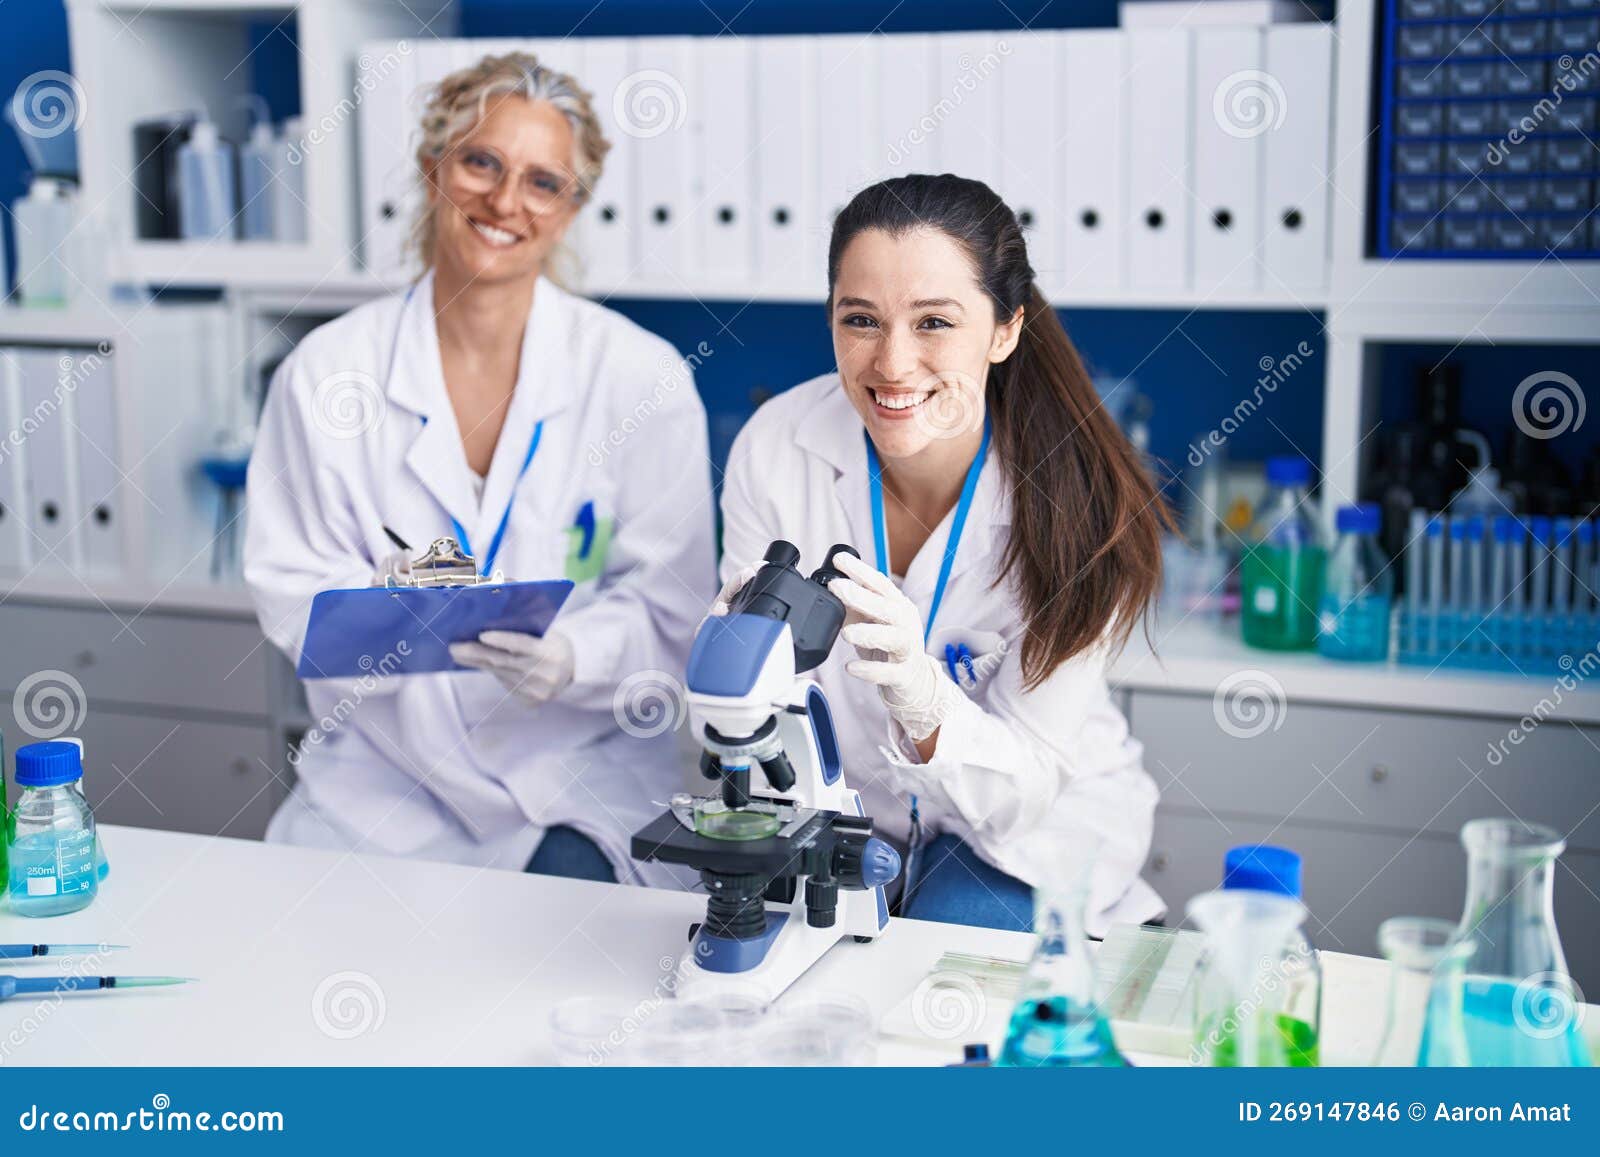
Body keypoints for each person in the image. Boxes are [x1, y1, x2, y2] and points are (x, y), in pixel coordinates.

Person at [245, 53, 713, 885]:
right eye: (480, 163)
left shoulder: (642, 379)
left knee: (564, 970)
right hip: (379, 781)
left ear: (571, 210)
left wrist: (575, 655)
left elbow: (673, 613)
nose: (505, 202)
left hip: (572, 774)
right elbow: (289, 593)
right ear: (433, 170)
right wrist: (378, 603)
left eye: (543, 182)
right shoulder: (325, 375)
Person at [714, 174, 1168, 934]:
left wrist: (925, 702)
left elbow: (1022, 786)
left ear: (1004, 329)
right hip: (855, 815)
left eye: (933, 323)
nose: (892, 363)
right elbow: (757, 690)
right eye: (861, 319)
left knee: (949, 933)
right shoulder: (775, 447)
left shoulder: (1082, 505)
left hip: (1028, 824)